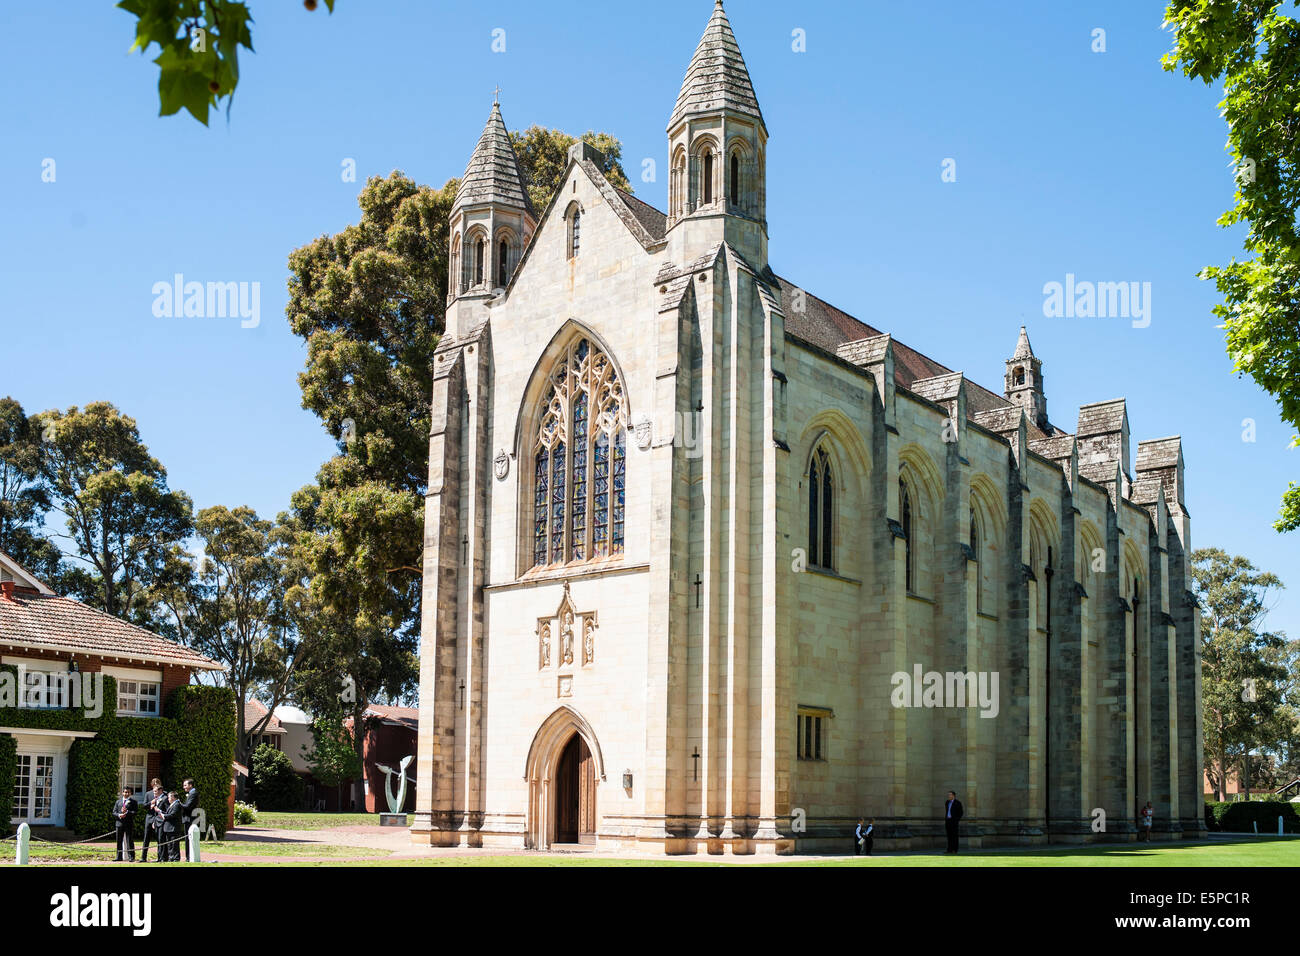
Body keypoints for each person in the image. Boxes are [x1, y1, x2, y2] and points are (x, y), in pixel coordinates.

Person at [139, 779, 165, 862]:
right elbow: (144, 806)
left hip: (159, 818)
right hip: (149, 818)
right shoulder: (148, 794)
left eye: (157, 783)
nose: (155, 784)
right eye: (154, 783)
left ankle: (160, 857)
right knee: (146, 838)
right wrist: (151, 803)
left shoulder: (164, 794)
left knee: (159, 838)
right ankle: (143, 857)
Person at [112, 787, 137, 862]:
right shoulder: (118, 802)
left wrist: (127, 812)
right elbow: (114, 812)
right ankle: (119, 857)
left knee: (130, 840)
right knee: (119, 841)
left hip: (128, 824)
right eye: (125, 792)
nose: (126, 794)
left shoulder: (133, 802)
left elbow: (135, 812)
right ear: (122, 793)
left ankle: (131, 857)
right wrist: (119, 815)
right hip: (119, 823)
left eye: (128, 792)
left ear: (130, 793)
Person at [179, 777, 200, 861]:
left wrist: (178, 803)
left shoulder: (194, 793)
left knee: (189, 839)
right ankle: (188, 856)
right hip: (188, 818)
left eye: (185, 785)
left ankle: (189, 857)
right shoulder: (191, 793)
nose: (184, 787)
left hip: (190, 819)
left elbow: (188, 806)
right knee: (188, 839)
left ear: (190, 785)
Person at [161, 791, 183, 862]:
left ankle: (176, 858)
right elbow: (169, 813)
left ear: (173, 797)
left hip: (174, 828)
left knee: (174, 844)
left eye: (169, 797)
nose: (168, 799)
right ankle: (171, 857)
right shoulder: (172, 805)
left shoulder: (177, 804)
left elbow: (173, 815)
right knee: (169, 844)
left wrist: (164, 816)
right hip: (169, 828)